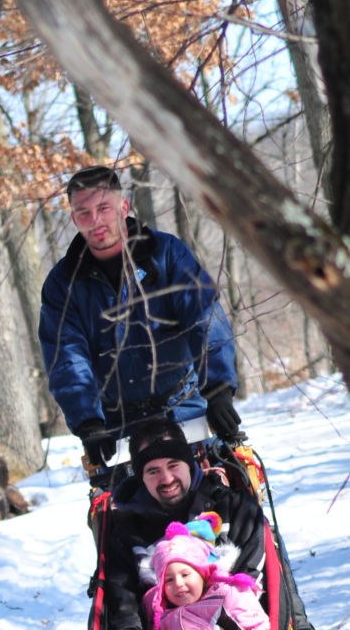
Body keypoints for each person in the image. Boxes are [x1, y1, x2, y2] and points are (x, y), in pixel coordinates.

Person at [39, 166, 241, 481]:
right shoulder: (63, 283)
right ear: (73, 218)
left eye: (104, 208)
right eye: (84, 213)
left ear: (123, 207)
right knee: (123, 519)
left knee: (228, 497)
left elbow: (204, 319)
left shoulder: (166, 254)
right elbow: (66, 356)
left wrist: (218, 389)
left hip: (186, 407)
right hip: (116, 424)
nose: (96, 220)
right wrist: (88, 423)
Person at [104, 416, 265, 630]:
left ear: (190, 464)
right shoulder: (126, 527)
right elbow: (121, 590)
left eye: (173, 465)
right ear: (141, 477)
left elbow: (250, 577)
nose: (166, 479)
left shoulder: (233, 506)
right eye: (153, 471)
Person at [142, 516, 270, 630]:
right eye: (168, 580)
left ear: (201, 573)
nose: (178, 584)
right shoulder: (163, 617)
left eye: (185, 575)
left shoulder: (226, 593)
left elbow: (258, 627)